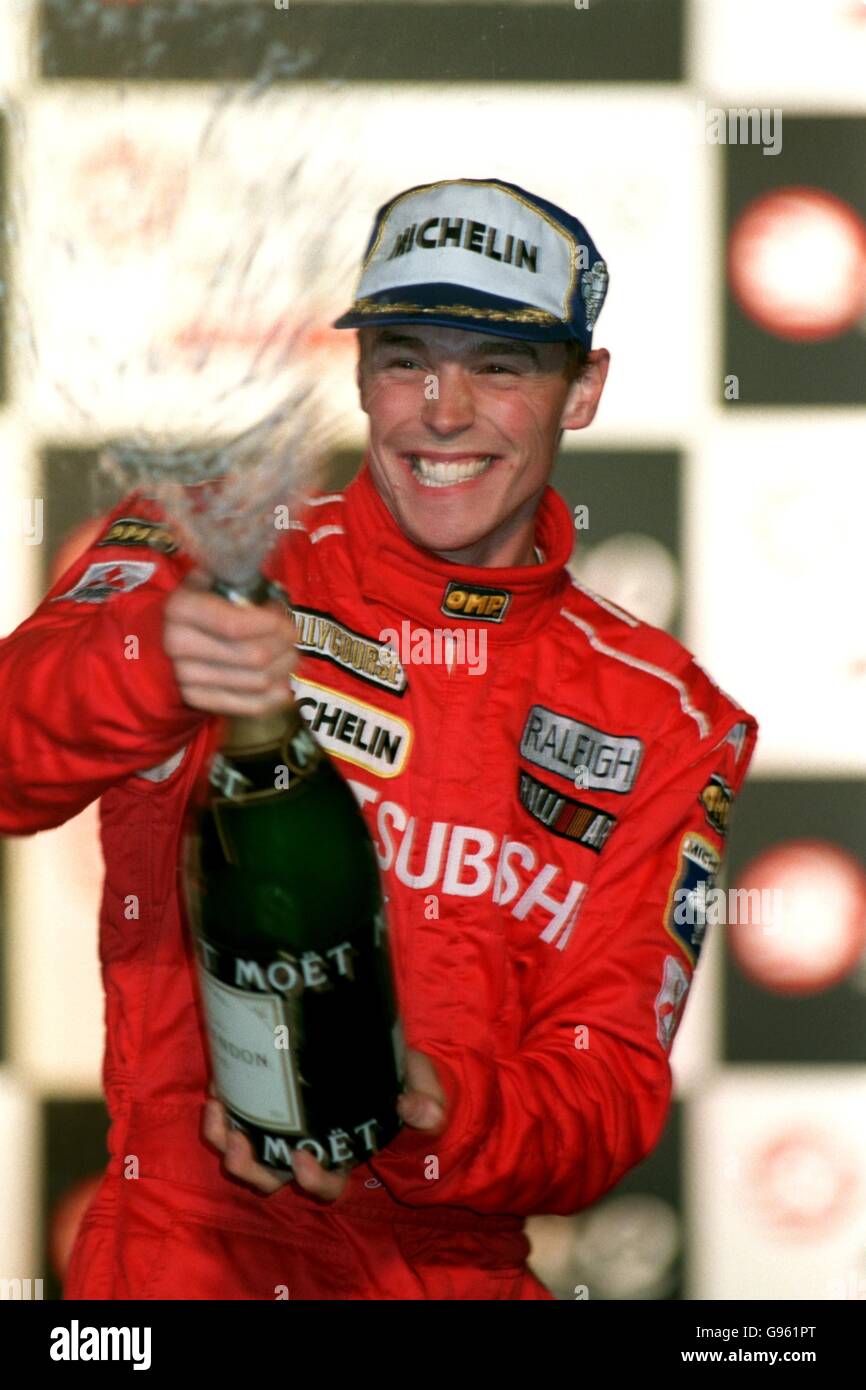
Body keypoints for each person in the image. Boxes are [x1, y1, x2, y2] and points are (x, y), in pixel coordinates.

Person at [0, 177, 757, 1300]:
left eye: (499, 366)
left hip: (454, 1273)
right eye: (405, 358)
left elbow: (604, 1098)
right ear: (359, 375)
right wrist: (147, 657)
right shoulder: (206, 553)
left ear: (581, 388)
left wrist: (424, 1103)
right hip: (185, 1260)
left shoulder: (662, 714)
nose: (442, 410)